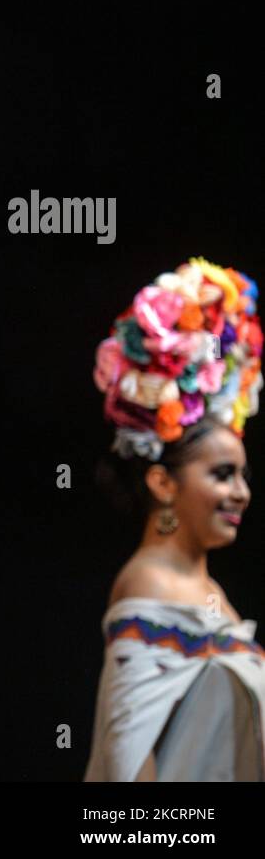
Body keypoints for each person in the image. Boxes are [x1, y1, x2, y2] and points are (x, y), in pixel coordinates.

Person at [86, 257, 265, 781]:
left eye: (244, 477)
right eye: (223, 475)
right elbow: (128, 759)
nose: (241, 493)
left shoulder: (207, 591)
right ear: (163, 483)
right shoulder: (150, 581)